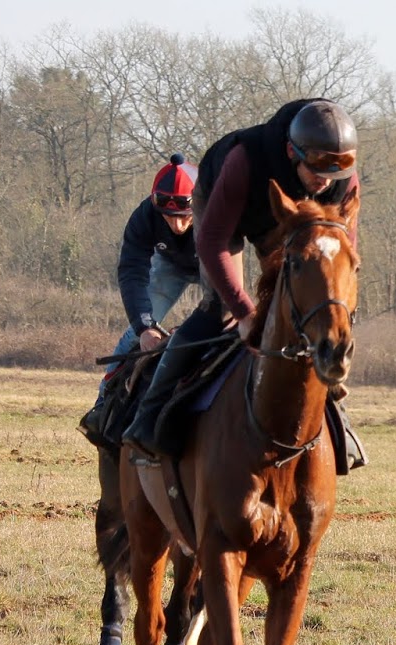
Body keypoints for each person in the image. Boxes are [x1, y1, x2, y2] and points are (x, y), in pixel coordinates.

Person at [121, 98, 360, 459]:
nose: (325, 182)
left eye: (334, 174)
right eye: (316, 171)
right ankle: (150, 415)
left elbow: (344, 261)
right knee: (221, 310)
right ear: (291, 152)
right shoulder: (243, 162)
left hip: (293, 220)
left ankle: (336, 423)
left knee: (299, 307)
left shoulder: (342, 182)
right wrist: (246, 313)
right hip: (228, 211)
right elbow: (212, 242)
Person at [79, 154, 202, 441]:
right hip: (170, 267)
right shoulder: (144, 216)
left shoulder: (216, 211)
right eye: (168, 217)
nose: (177, 226)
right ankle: (103, 408)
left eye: (184, 217)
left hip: (214, 260)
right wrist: (145, 325)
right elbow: (133, 272)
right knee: (131, 338)